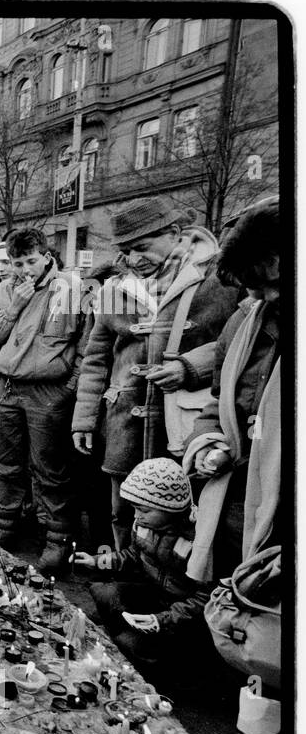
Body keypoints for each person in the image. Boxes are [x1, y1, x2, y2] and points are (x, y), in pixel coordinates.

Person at [72, 197, 240, 547]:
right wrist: (85, 420)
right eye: (127, 251)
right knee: (124, 509)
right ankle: (124, 575)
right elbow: (95, 358)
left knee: (177, 515)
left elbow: (237, 340)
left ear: (175, 234)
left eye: (142, 248)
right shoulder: (113, 289)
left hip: (181, 424)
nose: (134, 260)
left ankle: (166, 591)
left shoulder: (217, 279)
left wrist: (190, 368)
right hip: (124, 424)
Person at [181, 197, 281, 734]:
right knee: (249, 596)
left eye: (268, 286)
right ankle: (252, 721)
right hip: (240, 485)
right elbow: (221, 401)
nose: (261, 300)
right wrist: (209, 441)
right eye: (253, 290)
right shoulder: (248, 319)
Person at [0, 228, 91, 570]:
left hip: (47, 390)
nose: (24, 269)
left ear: (46, 256)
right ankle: (6, 526)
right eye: (17, 262)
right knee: (4, 463)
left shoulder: (71, 289)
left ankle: (56, 538)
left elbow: (87, 345)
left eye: (31, 261)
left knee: (49, 468)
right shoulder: (3, 292)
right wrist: (14, 307)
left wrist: (71, 387)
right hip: (6, 387)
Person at [72, 457, 210, 661]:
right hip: (154, 594)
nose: (136, 516)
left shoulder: (197, 541)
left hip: (179, 613)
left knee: (130, 644)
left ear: (170, 508)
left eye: (144, 510)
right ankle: (124, 632)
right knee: (104, 593)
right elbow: (133, 555)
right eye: (134, 508)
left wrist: (162, 621)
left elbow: (203, 599)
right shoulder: (144, 525)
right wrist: (97, 561)